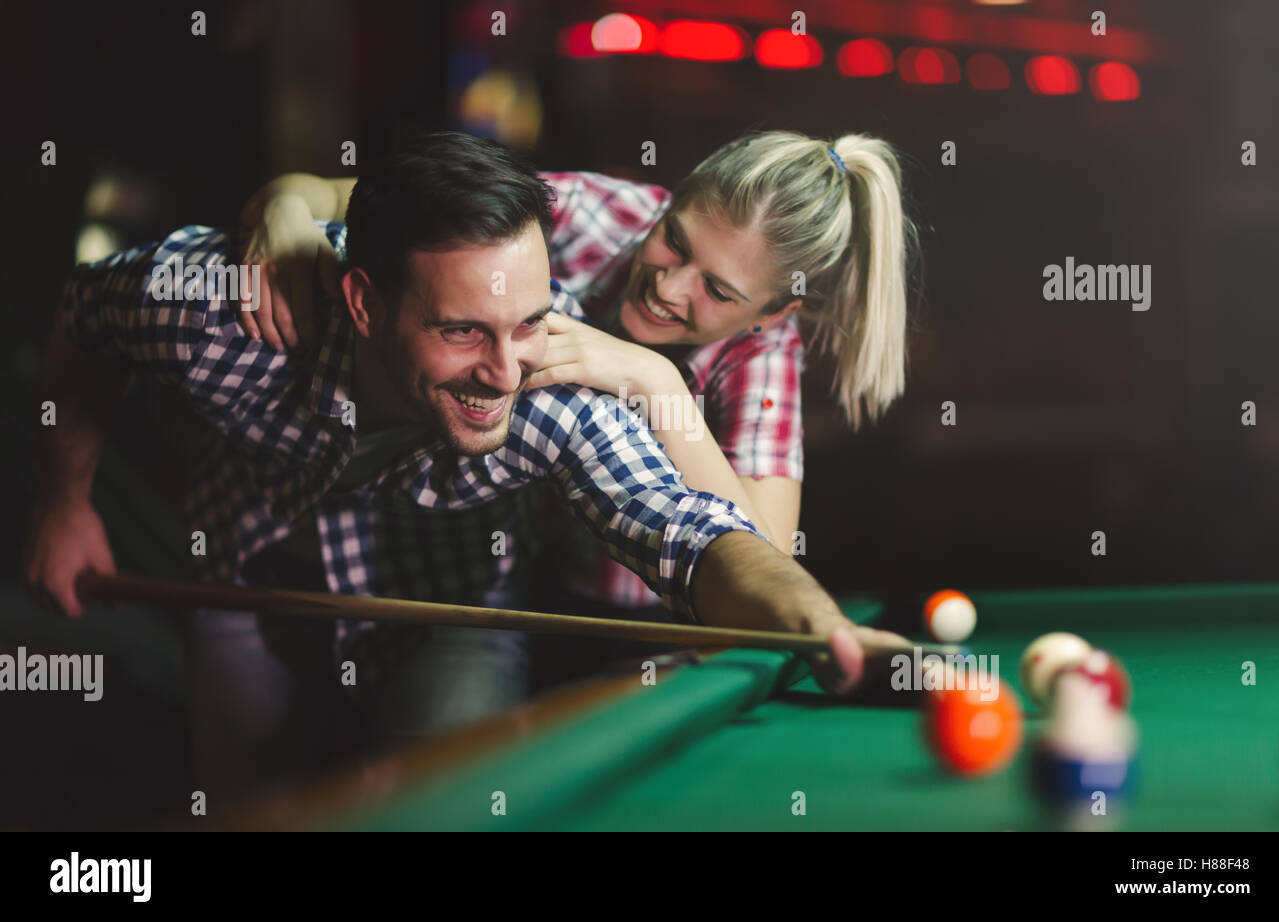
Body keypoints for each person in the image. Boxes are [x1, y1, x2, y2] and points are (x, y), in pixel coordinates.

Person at [23, 131, 906, 803]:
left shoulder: (555, 380)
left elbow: (704, 536)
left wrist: (816, 625)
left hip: (463, 604)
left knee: (453, 804)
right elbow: (87, 308)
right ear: (362, 300)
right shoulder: (223, 309)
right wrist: (63, 503)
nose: (502, 372)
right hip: (249, 578)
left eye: (717, 291)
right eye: (460, 330)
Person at [234, 130, 917, 629]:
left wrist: (656, 384)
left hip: (642, 618)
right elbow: (327, 196)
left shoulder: (766, 358)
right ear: (668, 200)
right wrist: (282, 211)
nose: (670, 286)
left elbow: (765, 559)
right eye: (674, 240)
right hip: (484, 581)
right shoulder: (586, 210)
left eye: (716, 288)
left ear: (774, 313)